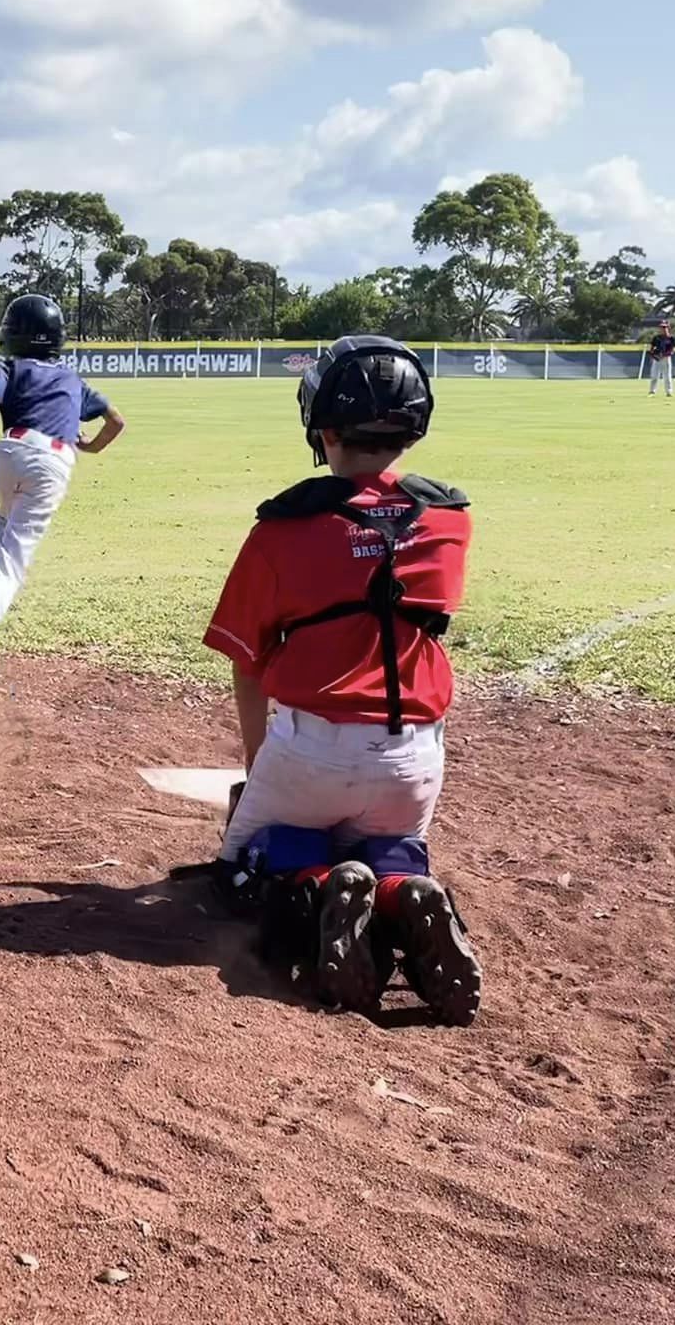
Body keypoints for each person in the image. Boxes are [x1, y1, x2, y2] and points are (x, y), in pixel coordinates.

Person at [202, 335, 480, 1026]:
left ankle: (314, 881)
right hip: (414, 757)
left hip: (311, 749)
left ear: (322, 427)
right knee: (383, 850)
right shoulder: (450, 520)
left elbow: (248, 663)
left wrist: (258, 766)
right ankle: (397, 891)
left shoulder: (283, 529)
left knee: (242, 872)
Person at [0, 294, 123, 701]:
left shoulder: (11, 366)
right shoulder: (72, 378)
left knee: (2, 523)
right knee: (14, 554)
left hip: (8, 455)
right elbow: (116, 421)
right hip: (51, 463)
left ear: (11, 334)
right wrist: (90, 446)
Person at [646, 319, 675, 397]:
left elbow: (672, 350)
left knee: (667, 376)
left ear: (668, 328)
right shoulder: (656, 338)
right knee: (654, 376)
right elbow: (652, 348)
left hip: (666, 358)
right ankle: (652, 391)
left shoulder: (671, 338)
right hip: (657, 359)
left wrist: (664, 354)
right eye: (662, 327)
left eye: (665, 327)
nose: (663, 329)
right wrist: (653, 355)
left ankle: (669, 392)